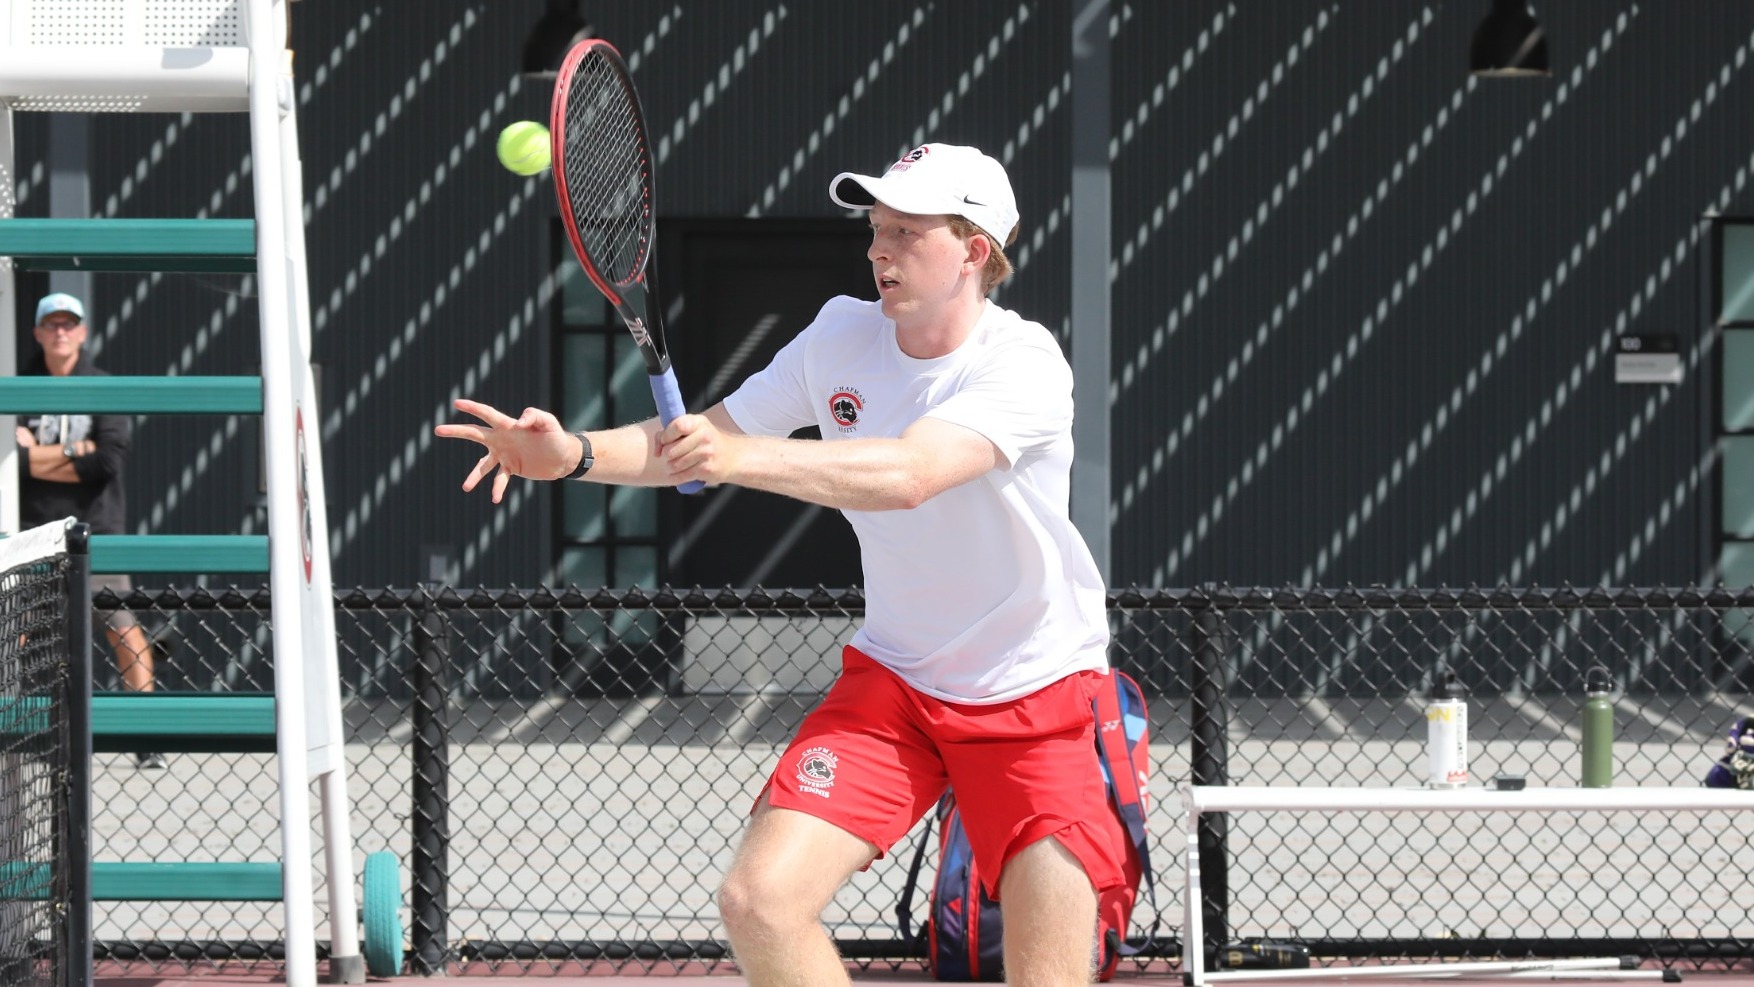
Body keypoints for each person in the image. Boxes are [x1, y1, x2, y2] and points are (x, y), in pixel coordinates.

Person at [438, 143, 1123, 985]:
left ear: (974, 249)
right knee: (758, 900)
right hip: (899, 683)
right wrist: (573, 454)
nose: (879, 249)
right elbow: (700, 439)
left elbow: (907, 474)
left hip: (1036, 688)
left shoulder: (1023, 362)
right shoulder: (840, 331)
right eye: (876, 228)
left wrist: (733, 458)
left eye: (907, 232)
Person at [16, 292, 163, 770]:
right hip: (29, 531)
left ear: (82, 331)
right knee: (19, 632)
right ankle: (16, 729)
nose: (61, 332)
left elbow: (108, 461)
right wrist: (75, 452)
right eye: (51, 324)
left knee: (122, 630)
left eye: (69, 324)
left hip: (97, 529)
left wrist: (35, 457)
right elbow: (7, 464)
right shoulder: (18, 387)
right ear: (37, 332)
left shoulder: (102, 386)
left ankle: (145, 736)